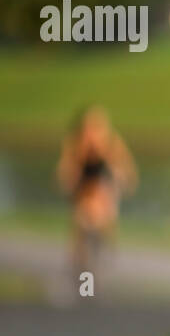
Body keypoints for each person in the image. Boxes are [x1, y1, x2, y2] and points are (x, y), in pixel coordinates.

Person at [55, 105, 138, 275]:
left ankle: (102, 259)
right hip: (83, 198)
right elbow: (63, 177)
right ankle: (82, 273)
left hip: (105, 199)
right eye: (89, 127)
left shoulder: (113, 145)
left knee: (102, 227)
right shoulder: (75, 146)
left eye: (98, 127)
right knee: (82, 223)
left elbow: (129, 177)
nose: (93, 133)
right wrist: (73, 171)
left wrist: (116, 172)